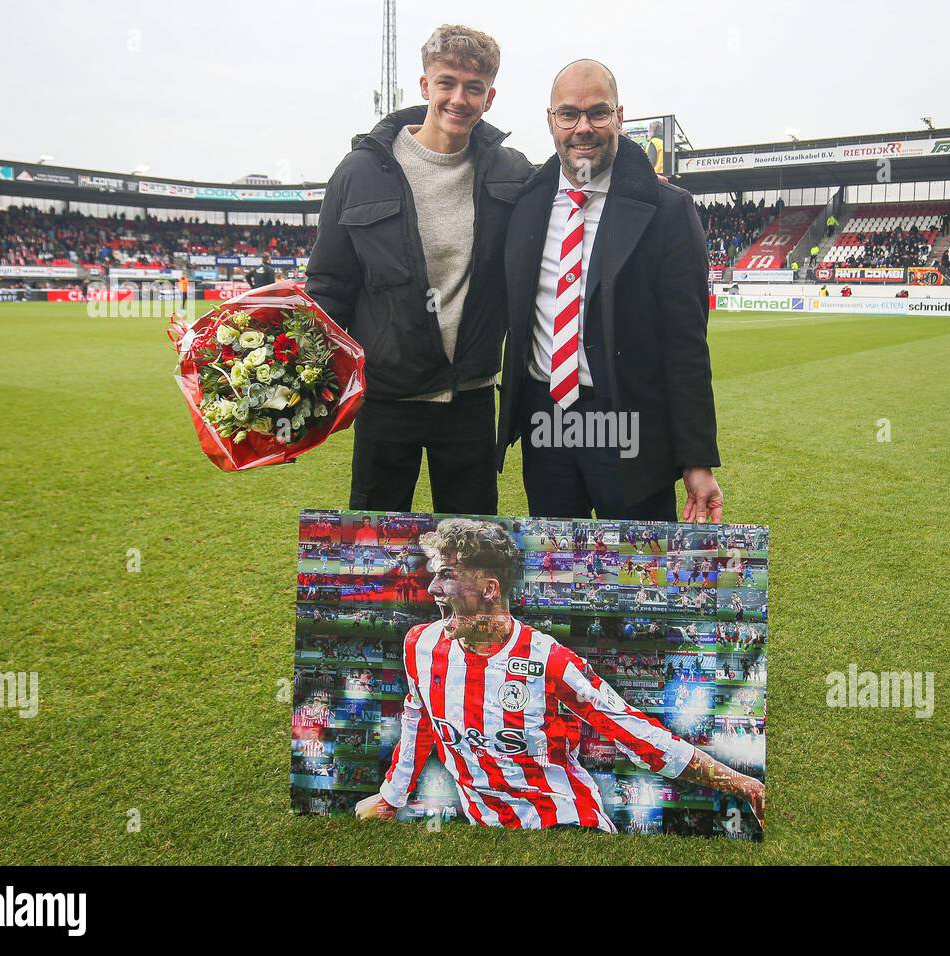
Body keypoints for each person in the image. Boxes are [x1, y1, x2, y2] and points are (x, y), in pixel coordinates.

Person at [353, 518, 764, 830]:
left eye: (447, 575)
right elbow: (419, 721)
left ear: (490, 589)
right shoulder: (420, 645)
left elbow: (637, 734)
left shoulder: (550, 661)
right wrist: (391, 797)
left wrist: (742, 785)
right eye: (434, 575)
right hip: (485, 828)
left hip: (564, 822)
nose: (432, 590)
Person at [305, 24, 533, 514]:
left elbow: (572, 190)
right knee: (377, 539)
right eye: (447, 82)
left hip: (470, 397)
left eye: (474, 87)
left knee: (472, 542)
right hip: (387, 397)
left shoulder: (512, 171)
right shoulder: (360, 171)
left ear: (490, 97)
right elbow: (329, 284)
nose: (459, 98)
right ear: (426, 85)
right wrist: (307, 377)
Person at [496, 60, 722, 523]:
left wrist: (696, 460)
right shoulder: (526, 203)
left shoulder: (668, 210)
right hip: (546, 418)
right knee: (556, 560)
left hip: (627, 423)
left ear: (619, 117)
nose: (583, 127)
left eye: (598, 112)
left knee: (642, 562)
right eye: (568, 114)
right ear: (550, 120)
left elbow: (686, 345)